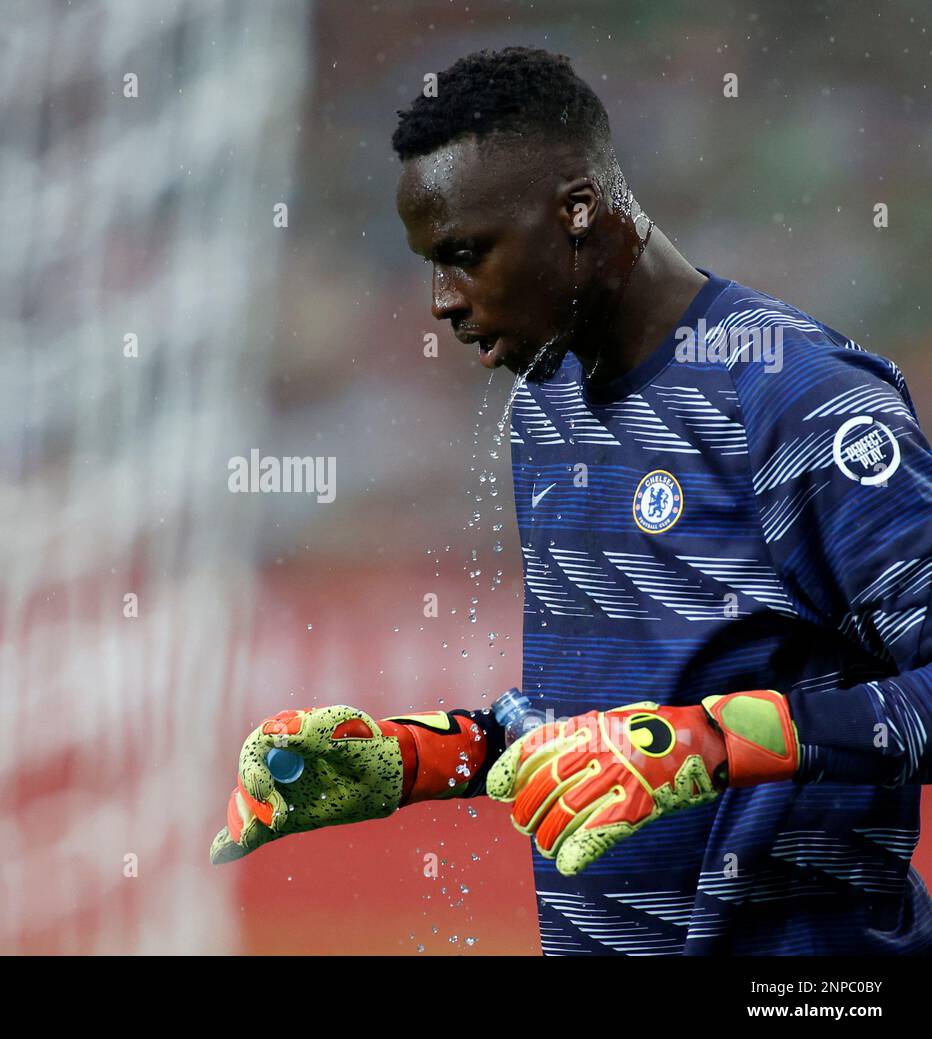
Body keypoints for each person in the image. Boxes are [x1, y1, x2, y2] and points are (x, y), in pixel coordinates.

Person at [211, 46, 932, 956]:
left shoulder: (795, 396)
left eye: (465, 255)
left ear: (578, 210)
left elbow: (692, 732)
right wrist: (418, 758)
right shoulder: (545, 407)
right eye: (431, 264)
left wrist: (717, 741)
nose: (441, 301)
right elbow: (599, 718)